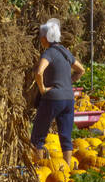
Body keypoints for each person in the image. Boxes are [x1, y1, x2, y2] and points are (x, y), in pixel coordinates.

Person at [30, 18, 85, 164]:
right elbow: (81, 70)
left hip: (52, 99)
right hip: (69, 98)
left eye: (41, 37)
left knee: (38, 136)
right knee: (66, 136)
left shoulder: (49, 53)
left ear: (45, 38)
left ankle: (38, 169)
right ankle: (67, 171)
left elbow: (39, 73)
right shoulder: (66, 52)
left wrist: (43, 90)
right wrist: (68, 82)